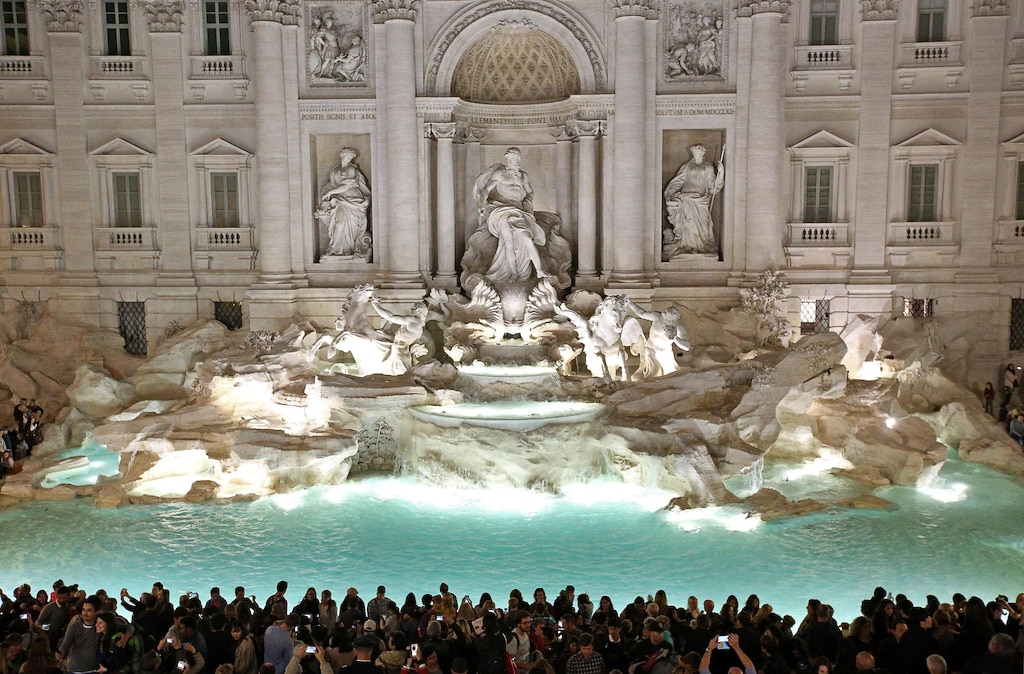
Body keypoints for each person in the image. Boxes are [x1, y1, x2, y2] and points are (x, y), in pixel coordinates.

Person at [472, 147, 550, 283]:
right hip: (501, 210)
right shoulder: (499, 174)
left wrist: (527, 202)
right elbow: (485, 190)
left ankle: (539, 270)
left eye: (517, 158)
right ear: (507, 159)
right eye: (511, 158)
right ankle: (513, 273)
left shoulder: (523, 176)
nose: (514, 161)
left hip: (518, 211)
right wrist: (482, 205)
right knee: (508, 241)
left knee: (527, 239)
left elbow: (530, 192)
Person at [663, 144, 724, 257]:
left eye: (698, 153)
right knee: (688, 222)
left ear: (702, 154)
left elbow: (714, 187)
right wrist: (670, 194)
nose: (696, 155)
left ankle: (702, 246)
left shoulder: (708, 167)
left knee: (704, 224)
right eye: (694, 153)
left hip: (701, 200)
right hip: (687, 198)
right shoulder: (687, 166)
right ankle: (687, 246)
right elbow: (678, 181)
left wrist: (721, 174)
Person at [315, 148, 372, 259]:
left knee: (347, 226)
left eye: (350, 157)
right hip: (339, 201)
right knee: (339, 225)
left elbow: (347, 185)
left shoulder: (351, 169)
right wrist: (326, 194)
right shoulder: (335, 170)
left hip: (353, 200)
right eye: (347, 156)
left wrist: (331, 192)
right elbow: (331, 184)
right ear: (342, 156)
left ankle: (348, 249)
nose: (349, 159)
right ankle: (335, 250)